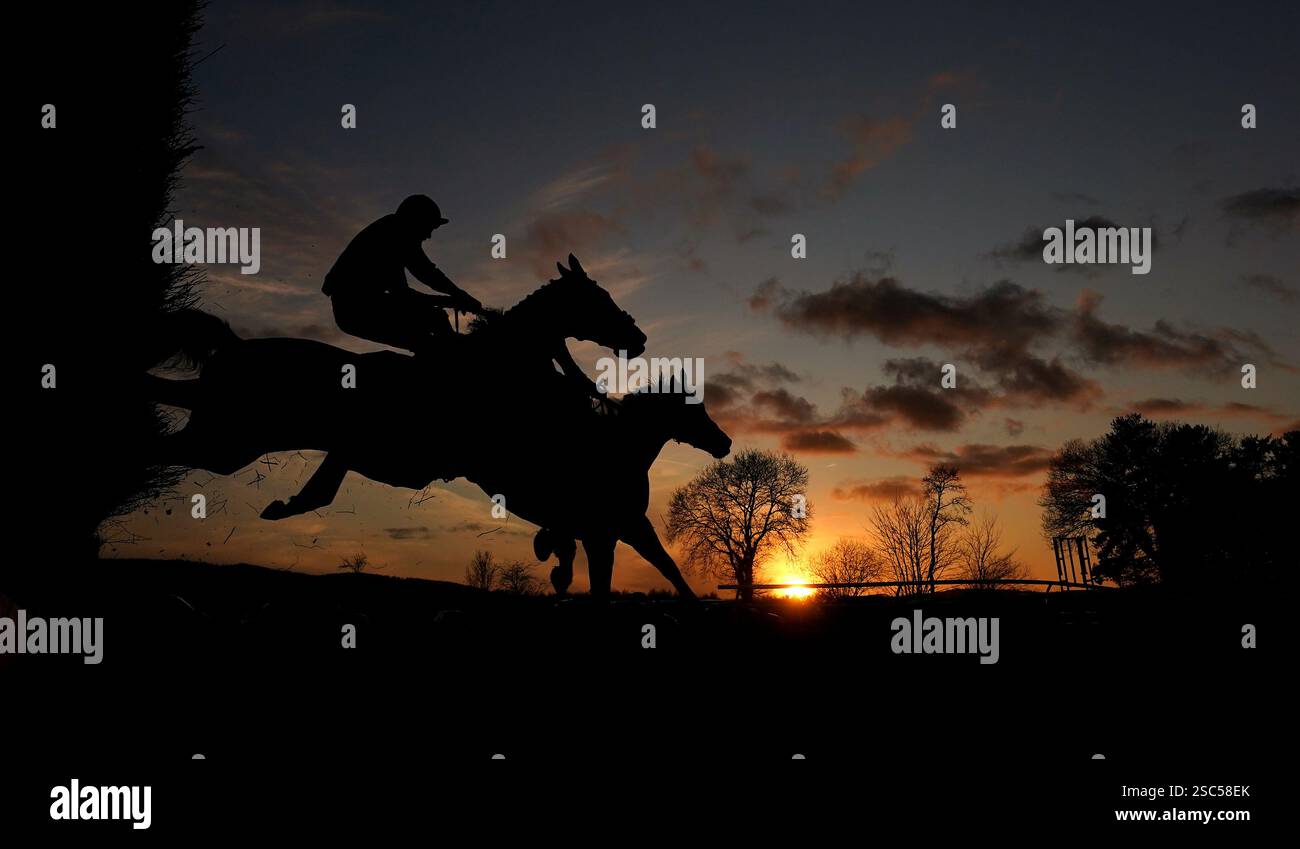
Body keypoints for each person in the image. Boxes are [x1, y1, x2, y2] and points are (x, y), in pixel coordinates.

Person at [323, 194, 482, 353]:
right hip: (356, 309)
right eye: (429, 227)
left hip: (358, 306)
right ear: (416, 221)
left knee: (432, 324)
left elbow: (427, 274)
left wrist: (457, 297)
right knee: (433, 321)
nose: (429, 235)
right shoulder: (391, 237)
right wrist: (455, 299)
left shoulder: (394, 231)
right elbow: (413, 286)